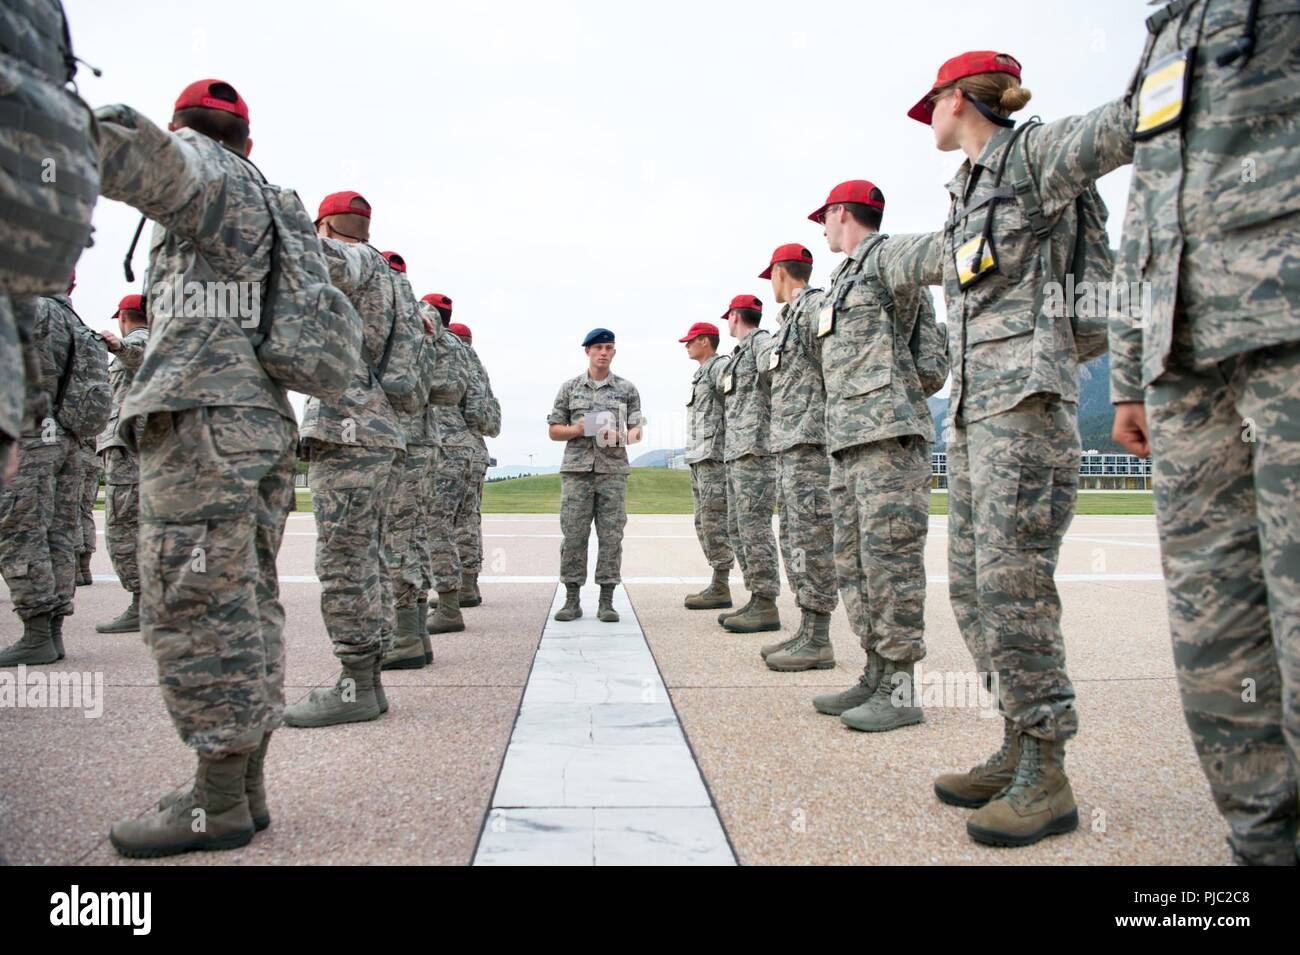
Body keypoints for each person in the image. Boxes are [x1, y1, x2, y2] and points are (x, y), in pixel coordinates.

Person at [904, 51, 1133, 846]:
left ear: (959, 97)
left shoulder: (1030, 157)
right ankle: (1015, 740)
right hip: (971, 417)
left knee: (1016, 590)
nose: (926, 118)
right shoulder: (963, 192)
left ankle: (1049, 767)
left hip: (1027, 410)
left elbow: (1119, 129)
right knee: (972, 588)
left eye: (930, 104)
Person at [1110, 1, 1300, 866]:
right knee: (1213, 633)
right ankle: (1260, 848)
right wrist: (1125, 376)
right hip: (1180, 353)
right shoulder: (1164, 33)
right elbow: (1141, 214)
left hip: (1286, 320)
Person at [95, 79, 300, 856]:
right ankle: (241, 788)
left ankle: (215, 799)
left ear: (186, 127)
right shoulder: (269, 197)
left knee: (193, 603)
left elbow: (125, 151)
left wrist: (35, 109)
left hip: (202, 420)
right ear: (250, 139)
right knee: (246, 598)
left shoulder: (205, 170)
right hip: (256, 416)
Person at [800, 183, 948, 723]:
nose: (822, 229)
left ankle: (903, 691)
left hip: (888, 441)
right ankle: (875, 674)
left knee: (891, 564)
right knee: (855, 563)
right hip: (846, 444)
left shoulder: (886, 258)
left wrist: (888, 395)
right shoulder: (841, 281)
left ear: (841, 213)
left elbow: (932, 363)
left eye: (825, 218)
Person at [285, 191, 408, 728]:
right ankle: (368, 679)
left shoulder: (356, 258)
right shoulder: (397, 282)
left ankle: (356, 683)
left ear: (327, 228)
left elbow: (310, 257)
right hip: (381, 429)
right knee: (370, 556)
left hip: (350, 430)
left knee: (343, 559)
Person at [0, 0, 100, 496]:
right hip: (55, 432)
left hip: (39, 430)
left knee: (29, 541)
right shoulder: (76, 326)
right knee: (54, 533)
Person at [755, 244, 838, 672]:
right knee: (793, 539)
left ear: (780, 273)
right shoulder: (788, 321)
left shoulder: (812, 309)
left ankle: (820, 637)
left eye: (770, 276)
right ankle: (807, 628)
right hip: (789, 447)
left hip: (811, 447)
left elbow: (837, 366)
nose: (770, 284)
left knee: (813, 540)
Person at [0, 283, 82, 667]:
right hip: (67, 436)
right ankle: (51, 634)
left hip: (31, 435)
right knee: (59, 534)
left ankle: (36, 635)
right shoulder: (74, 320)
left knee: (21, 530)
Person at [547, 328, 643, 622]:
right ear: (587, 351)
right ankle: (572, 599)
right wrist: (576, 430)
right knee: (574, 535)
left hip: (612, 472)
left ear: (614, 353)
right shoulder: (570, 388)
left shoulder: (626, 390)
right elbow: (553, 430)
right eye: (598, 347)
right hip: (577, 473)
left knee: (611, 536)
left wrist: (620, 436)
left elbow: (638, 433)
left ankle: (606, 600)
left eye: (609, 347)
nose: (604, 352)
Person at [377, 253, 440, 671]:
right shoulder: (422, 321)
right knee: (412, 535)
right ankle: (414, 633)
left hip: (397, 438)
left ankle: (406, 636)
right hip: (421, 440)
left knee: (398, 539)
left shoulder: (394, 318)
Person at [715, 295, 780, 634]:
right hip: (737, 453)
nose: (727, 322)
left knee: (755, 528)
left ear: (736, 317)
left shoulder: (761, 343)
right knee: (738, 529)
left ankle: (766, 601)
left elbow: (778, 378)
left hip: (756, 451)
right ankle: (756, 596)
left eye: (728, 317)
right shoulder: (738, 355)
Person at [418, 293, 476, 635]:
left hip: (436, 444)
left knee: (432, 526)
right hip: (464, 446)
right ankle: (463, 589)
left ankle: (446, 604)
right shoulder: (468, 357)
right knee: (460, 523)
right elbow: (485, 415)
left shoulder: (430, 341)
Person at [94, 294, 150, 633]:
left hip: (129, 448)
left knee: (123, 526)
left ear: (124, 317)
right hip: (139, 445)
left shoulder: (139, 337)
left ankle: (142, 603)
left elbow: (137, 354)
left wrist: (118, 347)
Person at [679, 320, 734, 611]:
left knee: (714, 522)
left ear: (704, 341)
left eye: (690, 340)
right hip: (700, 456)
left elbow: (735, 405)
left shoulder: (720, 367)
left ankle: (722, 584)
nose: (686, 346)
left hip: (714, 457)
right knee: (703, 521)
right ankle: (718, 580)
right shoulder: (701, 373)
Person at [449, 321, 502, 609]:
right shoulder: (478, 369)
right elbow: (486, 418)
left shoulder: (447, 360)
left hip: (447, 447)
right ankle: (468, 585)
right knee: (468, 519)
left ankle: (449, 589)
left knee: (441, 521)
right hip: (474, 449)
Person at [74, 434, 100, 586]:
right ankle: (85, 569)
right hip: (93, 457)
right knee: (86, 511)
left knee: (72, 511)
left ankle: (76, 569)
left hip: (78, 456)